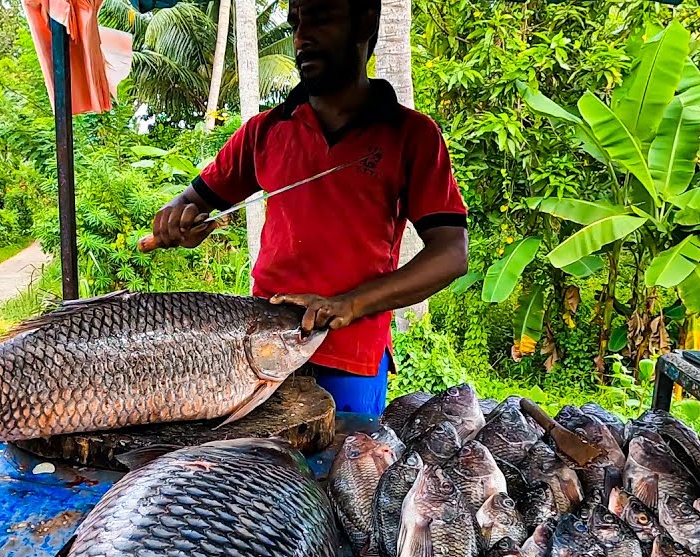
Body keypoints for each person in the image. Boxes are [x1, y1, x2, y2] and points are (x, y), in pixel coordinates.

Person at [143, 0, 468, 415]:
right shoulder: (266, 131)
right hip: (258, 354)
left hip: (350, 360)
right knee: (248, 474)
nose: (301, 38)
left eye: (320, 18)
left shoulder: (411, 135)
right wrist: (177, 221)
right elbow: (190, 202)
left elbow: (451, 253)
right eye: (296, 23)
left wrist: (349, 304)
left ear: (365, 20)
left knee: (341, 475)